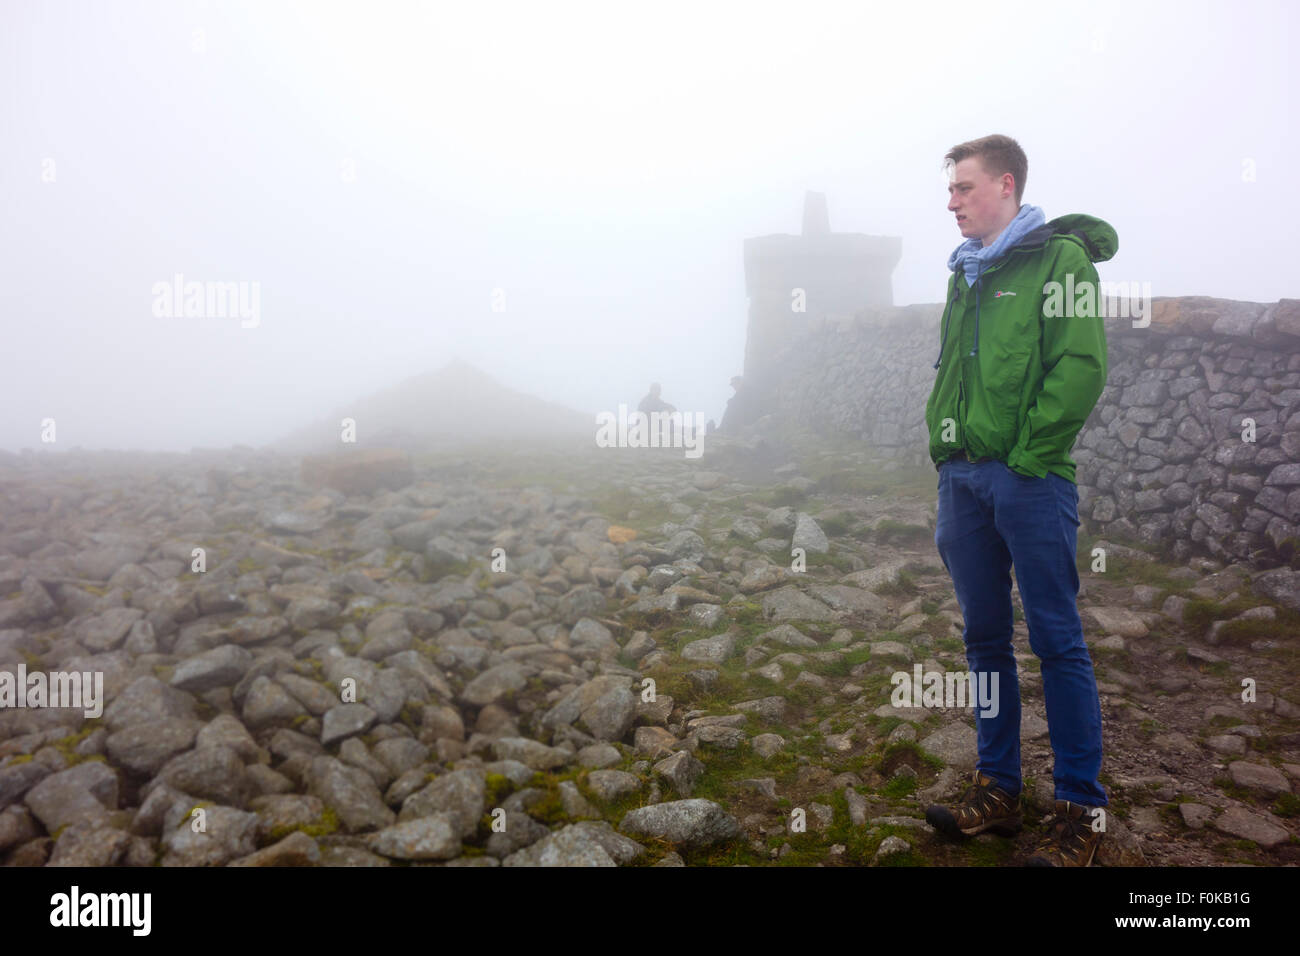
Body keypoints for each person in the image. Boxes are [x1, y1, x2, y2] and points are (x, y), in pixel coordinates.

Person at [922, 134, 1117, 867]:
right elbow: (952, 373)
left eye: (964, 188)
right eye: (950, 191)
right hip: (963, 482)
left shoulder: (1060, 262)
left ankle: (1081, 811)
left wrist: (1029, 458)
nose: (952, 202)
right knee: (983, 641)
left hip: (1030, 480)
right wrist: (947, 457)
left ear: (1005, 185)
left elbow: (1080, 366)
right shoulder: (964, 276)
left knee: (1058, 643)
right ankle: (998, 789)